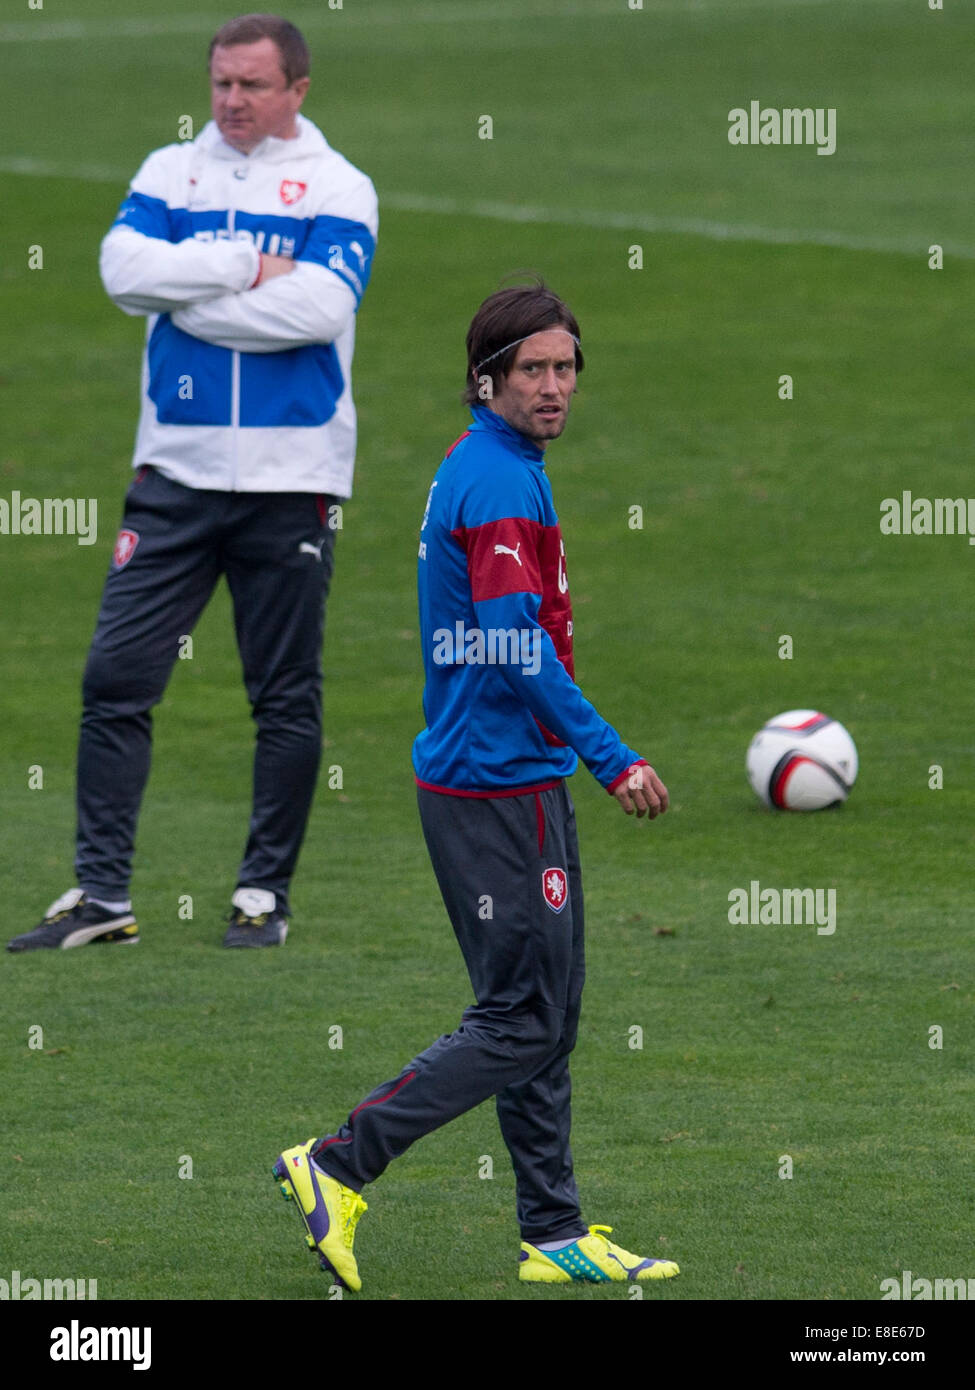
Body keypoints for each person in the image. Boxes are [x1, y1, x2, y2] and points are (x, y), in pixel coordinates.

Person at [271, 282, 680, 1289]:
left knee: (546, 1012)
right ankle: (335, 1162)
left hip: (509, 776)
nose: (553, 387)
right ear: (487, 379)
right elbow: (510, 640)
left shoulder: (492, 465)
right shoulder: (496, 481)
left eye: (566, 368)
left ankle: (554, 1229)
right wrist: (611, 752)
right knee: (521, 1018)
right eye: (532, 370)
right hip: (494, 785)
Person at [7, 15, 378, 954]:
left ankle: (262, 896)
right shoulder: (168, 172)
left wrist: (194, 299)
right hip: (175, 471)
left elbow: (321, 307)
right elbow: (123, 271)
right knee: (114, 679)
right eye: (221, 84)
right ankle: (101, 898)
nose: (231, 102)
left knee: (282, 695)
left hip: (293, 480)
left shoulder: (339, 187)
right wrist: (247, 266)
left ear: (298, 88)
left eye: (252, 86)